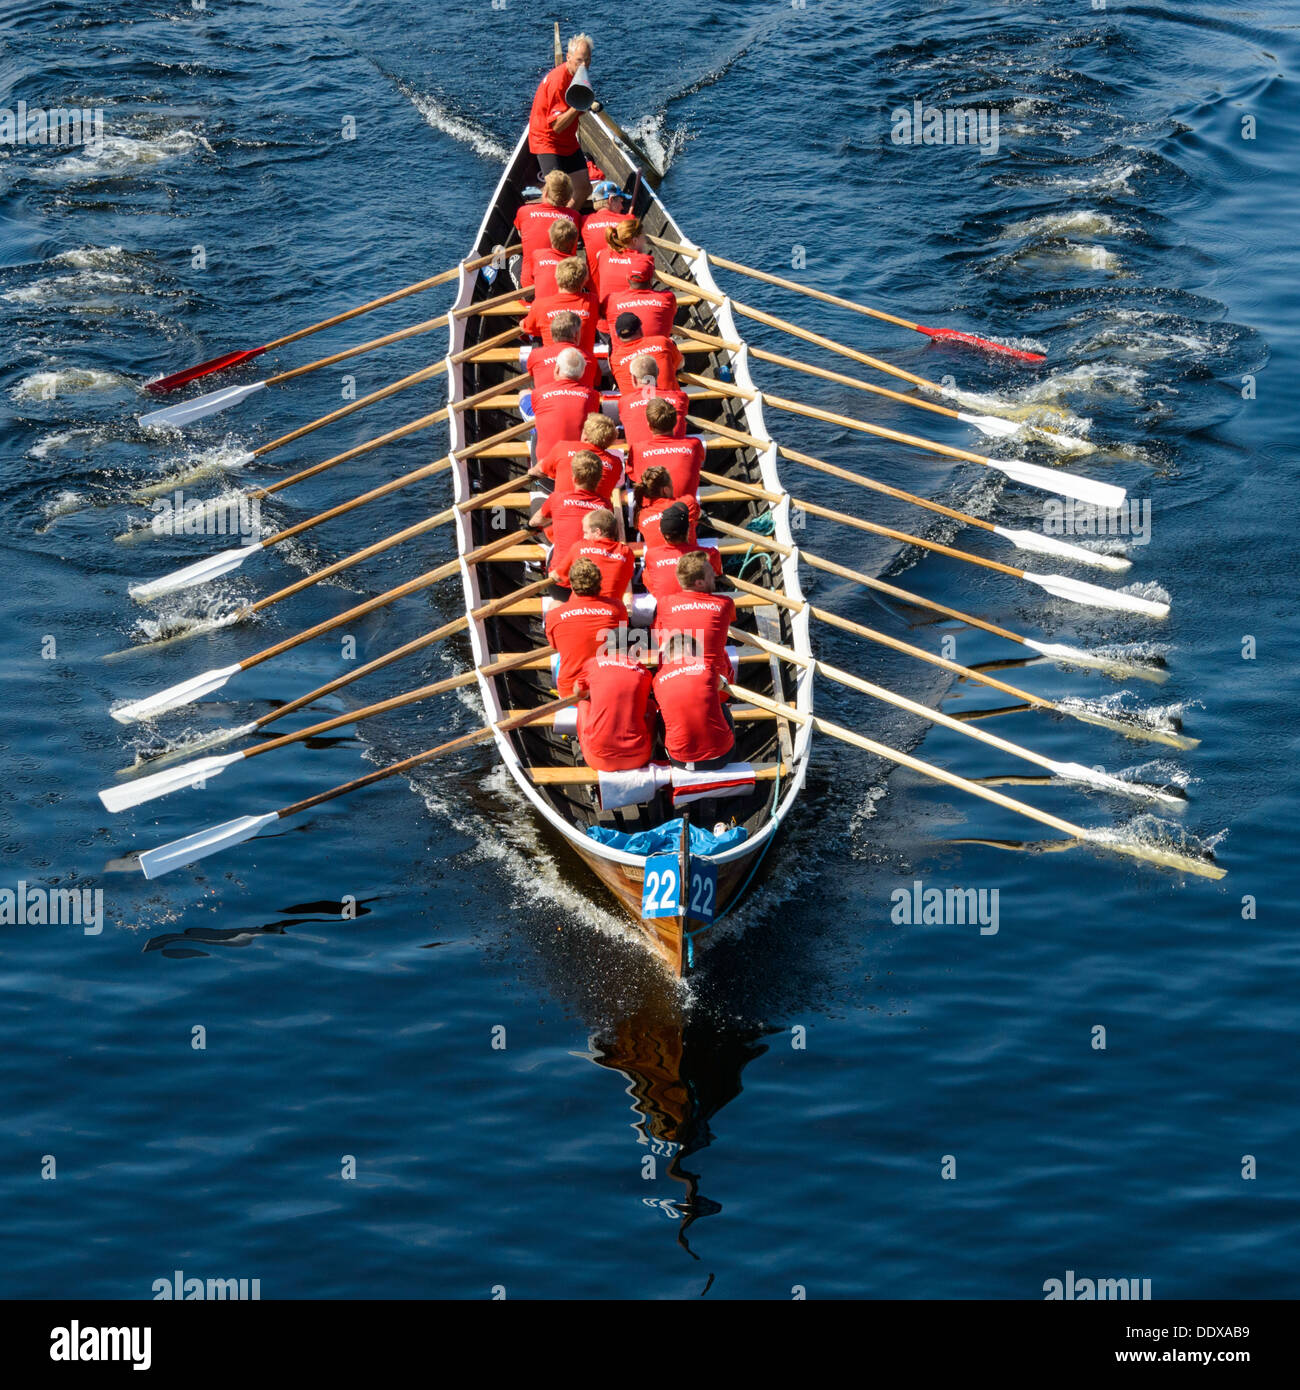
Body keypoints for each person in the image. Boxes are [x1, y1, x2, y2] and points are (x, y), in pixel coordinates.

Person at [527, 34, 600, 209]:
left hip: (567, 140)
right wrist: (578, 106)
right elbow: (557, 126)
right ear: (568, 58)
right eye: (579, 60)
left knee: (584, 188)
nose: (583, 65)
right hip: (547, 140)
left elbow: (574, 114)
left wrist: (584, 106)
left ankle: (565, 221)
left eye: (587, 61)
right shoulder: (558, 81)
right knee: (556, 193)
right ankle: (548, 225)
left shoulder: (578, 78)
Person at [544, 558, 627, 697]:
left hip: (570, 693)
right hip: (607, 688)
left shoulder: (554, 614)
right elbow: (622, 641)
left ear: (571, 585)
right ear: (599, 583)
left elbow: (555, 646)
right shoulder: (618, 608)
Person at [653, 633, 736, 770]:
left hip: (681, 762)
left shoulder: (657, 679)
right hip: (722, 756)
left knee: (662, 714)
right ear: (689, 649)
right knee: (722, 706)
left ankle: (661, 753)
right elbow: (722, 685)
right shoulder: (706, 666)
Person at [653, 551, 736, 682]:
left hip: (674, 682)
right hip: (717, 687)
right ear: (699, 583)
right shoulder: (725, 603)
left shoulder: (664, 603)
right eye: (710, 574)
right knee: (724, 654)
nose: (715, 575)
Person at [573, 649, 656, 772]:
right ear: (634, 650)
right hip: (639, 758)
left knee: (583, 704)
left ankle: (585, 745)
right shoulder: (645, 672)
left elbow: (578, 692)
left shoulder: (593, 663)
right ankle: (653, 751)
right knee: (650, 705)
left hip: (598, 760)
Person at [529, 451, 608, 561]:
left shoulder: (557, 497)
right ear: (599, 479)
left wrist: (530, 526)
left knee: (536, 503)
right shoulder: (606, 506)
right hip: (592, 567)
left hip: (560, 571)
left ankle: (540, 556)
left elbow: (535, 522)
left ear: (574, 479)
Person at [639, 500, 722, 600]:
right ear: (688, 530)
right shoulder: (710, 554)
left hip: (667, 609)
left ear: (661, 532)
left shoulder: (652, 555)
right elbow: (717, 573)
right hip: (697, 606)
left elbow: (649, 581)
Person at [527, 348, 601, 458]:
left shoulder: (537, 393)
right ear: (582, 373)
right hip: (578, 461)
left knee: (536, 426)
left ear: (557, 369)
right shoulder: (593, 396)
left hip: (545, 463)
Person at [531, 412, 624, 500]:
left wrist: (531, 472)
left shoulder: (563, 447)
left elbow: (542, 470)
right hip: (596, 513)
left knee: (536, 436)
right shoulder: (616, 463)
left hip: (563, 508)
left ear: (585, 437)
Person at [551, 507, 635, 602]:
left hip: (580, 608)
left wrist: (552, 574)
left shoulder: (579, 547)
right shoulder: (627, 553)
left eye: (586, 532)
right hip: (612, 609)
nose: (584, 536)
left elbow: (558, 576)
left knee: (555, 604)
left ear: (598, 532)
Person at [513, 171, 581, 287]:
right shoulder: (575, 217)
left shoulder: (524, 211)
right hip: (566, 285)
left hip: (530, 288)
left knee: (514, 258)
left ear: (545, 193)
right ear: (569, 197)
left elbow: (520, 234)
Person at [520, 256, 599, 351]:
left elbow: (528, 328)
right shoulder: (593, 301)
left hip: (551, 361)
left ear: (556, 277)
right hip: (584, 361)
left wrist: (523, 323)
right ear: (585, 280)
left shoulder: (540, 305)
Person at [628, 397, 705, 493]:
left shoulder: (637, 449)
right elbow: (699, 462)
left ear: (649, 426)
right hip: (685, 506)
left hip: (653, 506)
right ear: (675, 422)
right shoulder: (694, 444)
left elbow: (633, 475)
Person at [618, 353, 689, 447]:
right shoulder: (680, 397)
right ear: (658, 372)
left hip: (641, 456)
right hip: (676, 453)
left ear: (634, 378)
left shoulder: (624, 402)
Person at [608, 312, 683, 401]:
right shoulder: (662, 342)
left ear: (618, 336)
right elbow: (680, 364)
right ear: (640, 330)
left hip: (635, 409)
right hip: (671, 404)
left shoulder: (614, 358)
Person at [603, 254, 677, 338]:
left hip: (625, 349)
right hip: (658, 347)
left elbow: (602, 316)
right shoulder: (667, 297)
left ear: (627, 278)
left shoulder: (611, 299)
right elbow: (671, 314)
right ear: (651, 280)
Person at [581, 181, 634, 292]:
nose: (622, 207)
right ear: (611, 200)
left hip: (593, 290)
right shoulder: (628, 220)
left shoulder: (584, 220)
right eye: (621, 201)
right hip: (622, 291)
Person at [525, 311, 599, 389]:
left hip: (544, 399)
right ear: (576, 335)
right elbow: (595, 382)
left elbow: (532, 373)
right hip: (577, 399)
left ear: (552, 334)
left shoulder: (536, 355)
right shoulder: (589, 358)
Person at [634, 466, 700, 546]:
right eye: (671, 484)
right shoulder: (687, 502)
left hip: (657, 557)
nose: (673, 487)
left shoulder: (641, 515)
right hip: (688, 557)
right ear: (665, 490)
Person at [595, 218, 649, 315]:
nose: (645, 240)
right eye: (643, 236)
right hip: (631, 325)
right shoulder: (644, 260)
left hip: (604, 321)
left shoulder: (601, 254)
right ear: (635, 240)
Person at [530, 219, 587, 299]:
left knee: (515, 258)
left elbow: (532, 277)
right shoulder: (578, 265)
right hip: (569, 307)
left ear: (551, 237)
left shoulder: (537, 254)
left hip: (539, 304)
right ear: (575, 242)